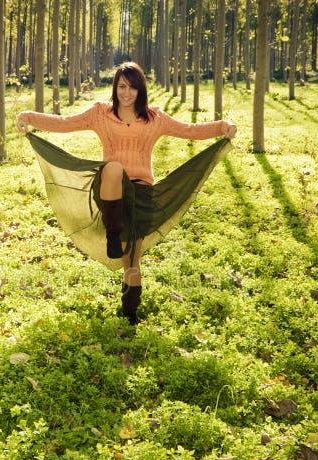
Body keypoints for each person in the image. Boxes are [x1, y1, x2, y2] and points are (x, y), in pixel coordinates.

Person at [16, 62, 237, 324]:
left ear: (140, 90)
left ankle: (130, 312)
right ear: (115, 87)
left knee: (132, 257)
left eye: (133, 87)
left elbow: (189, 130)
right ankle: (112, 233)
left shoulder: (154, 118)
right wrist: (30, 116)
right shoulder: (100, 114)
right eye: (122, 86)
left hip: (142, 194)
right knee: (113, 168)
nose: (127, 93)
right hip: (111, 192)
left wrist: (222, 126)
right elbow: (65, 123)